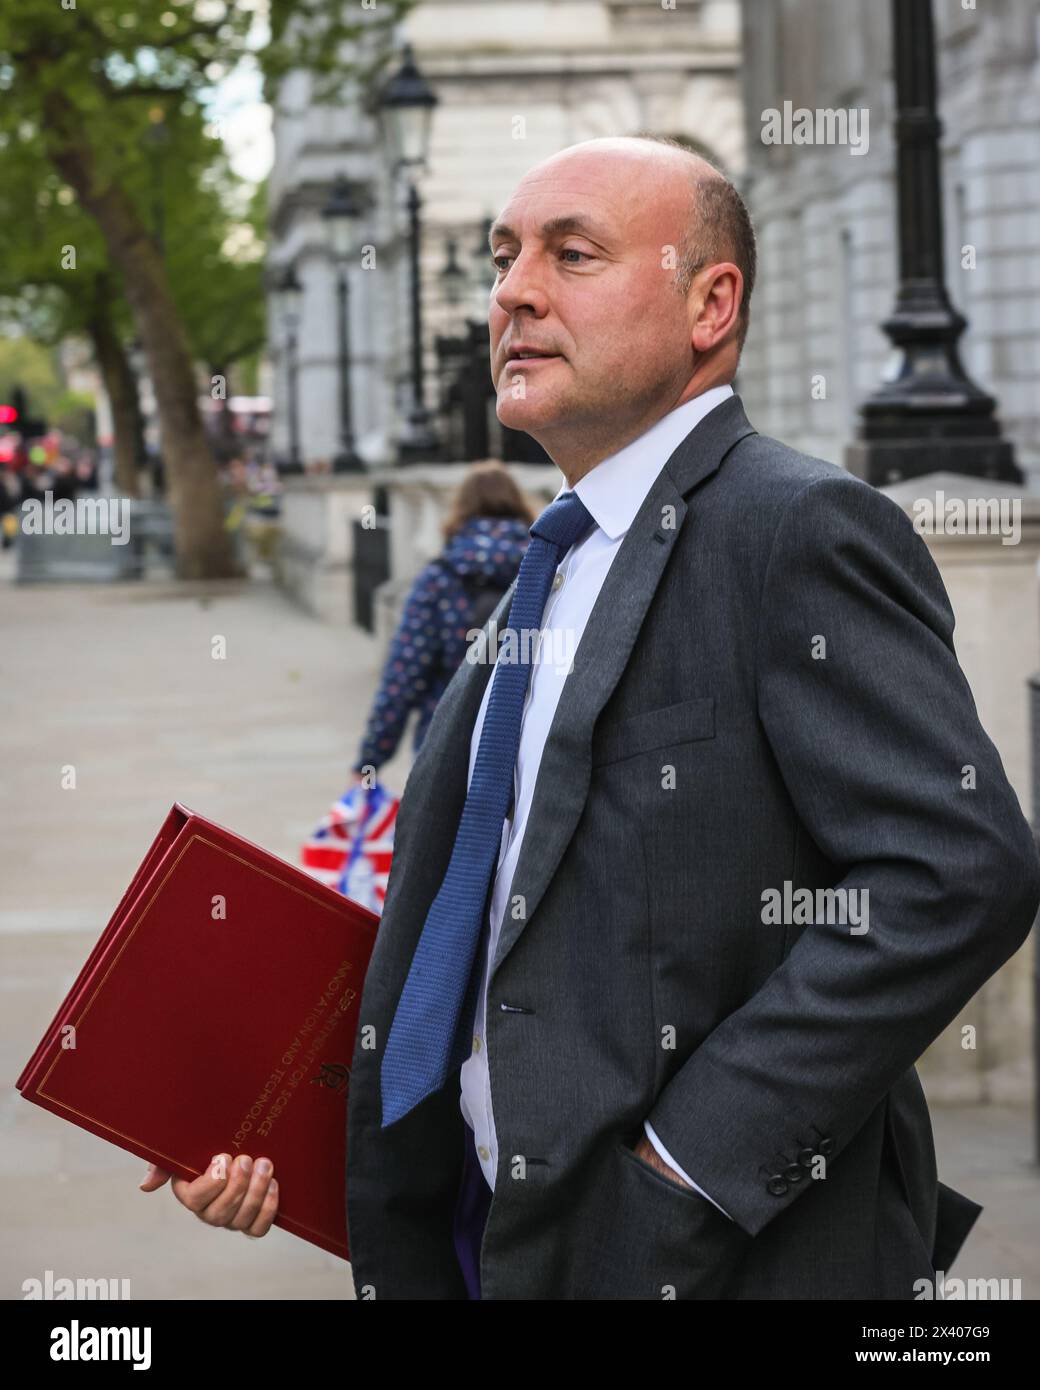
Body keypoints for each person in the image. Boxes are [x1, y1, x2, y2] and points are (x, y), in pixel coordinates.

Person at [142, 134, 1040, 1301]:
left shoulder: (797, 528)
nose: (512, 290)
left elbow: (958, 868)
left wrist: (686, 1167)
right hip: (480, 1233)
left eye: (573, 254)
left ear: (708, 303)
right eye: (505, 255)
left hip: (697, 1258)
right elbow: (498, 909)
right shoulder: (556, 552)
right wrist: (274, 1113)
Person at [349, 461, 534, 780]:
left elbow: (403, 677)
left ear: (460, 509)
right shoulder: (544, 572)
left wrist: (370, 758)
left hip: (446, 745)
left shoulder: (439, 578)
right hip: (526, 743)